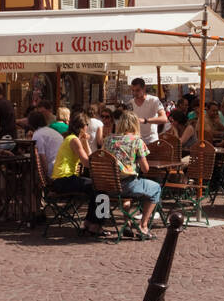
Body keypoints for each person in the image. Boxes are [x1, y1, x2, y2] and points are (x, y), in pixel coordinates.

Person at [102, 110, 161, 238]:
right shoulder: (136, 141)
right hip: (127, 185)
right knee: (156, 188)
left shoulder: (108, 140)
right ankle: (143, 226)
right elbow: (145, 169)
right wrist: (136, 161)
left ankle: (126, 224)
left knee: (127, 197)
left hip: (108, 187)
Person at [49, 113, 105, 236]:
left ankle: (90, 222)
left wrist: (85, 142)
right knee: (101, 188)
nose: (88, 128)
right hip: (64, 180)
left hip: (61, 180)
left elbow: (88, 158)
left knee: (96, 188)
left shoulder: (71, 138)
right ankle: (97, 224)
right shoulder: (74, 140)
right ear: (82, 127)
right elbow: (87, 163)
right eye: (87, 125)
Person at [127, 78, 167, 147]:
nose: (135, 93)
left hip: (152, 141)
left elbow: (164, 119)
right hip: (137, 142)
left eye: (137, 90)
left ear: (144, 88)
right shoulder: (131, 103)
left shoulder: (154, 100)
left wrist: (145, 120)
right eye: (133, 90)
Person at [30, 109, 63, 179]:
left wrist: (46, 177)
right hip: (64, 168)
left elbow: (41, 157)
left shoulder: (37, 134)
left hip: (54, 171)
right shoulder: (52, 131)